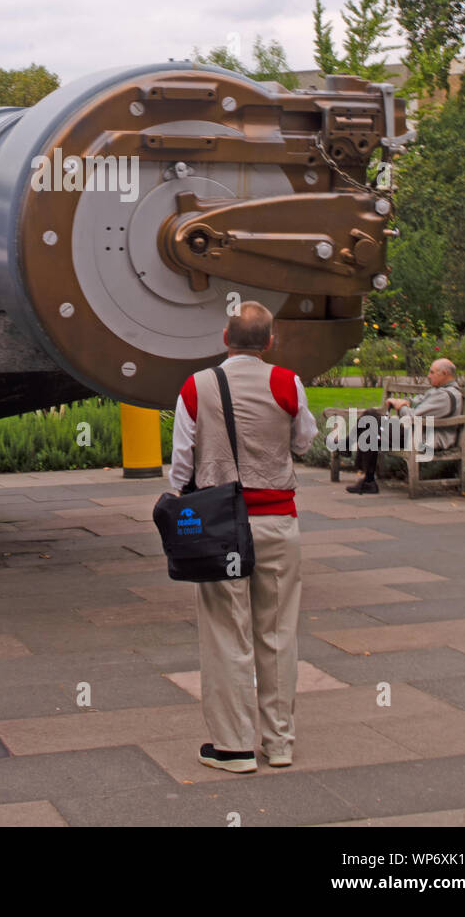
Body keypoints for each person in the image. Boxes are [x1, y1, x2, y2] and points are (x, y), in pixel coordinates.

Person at [170, 301, 317, 774]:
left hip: (220, 530)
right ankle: (279, 743)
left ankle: (233, 747)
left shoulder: (197, 386)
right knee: (277, 634)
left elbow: (180, 465)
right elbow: (304, 442)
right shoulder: (286, 382)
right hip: (278, 521)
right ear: (270, 341)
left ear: (225, 339)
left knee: (225, 634)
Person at [347, 357, 463, 495]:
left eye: (432, 372)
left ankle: (349, 449)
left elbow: (412, 416)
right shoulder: (438, 390)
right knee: (371, 423)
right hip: (416, 431)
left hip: (424, 438)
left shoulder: (444, 396)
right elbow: (416, 402)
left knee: (370, 419)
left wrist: (400, 406)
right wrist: (403, 402)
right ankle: (367, 480)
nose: (428, 375)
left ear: (444, 374)